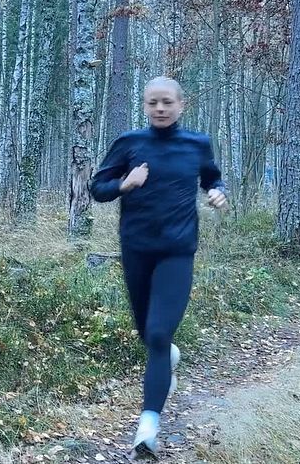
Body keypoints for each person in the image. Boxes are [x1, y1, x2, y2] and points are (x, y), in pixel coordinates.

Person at [89, 76, 228, 456]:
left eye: (167, 102)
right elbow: (97, 189)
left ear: (181, 104)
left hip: (177, 251)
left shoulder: (197, 144)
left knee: (159, 331)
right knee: (148, 336)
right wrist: (125, 184)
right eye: (153, 103)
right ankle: (166, 356)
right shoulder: (130, 144)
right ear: (145, 106)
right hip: (136, 250)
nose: (160, 109)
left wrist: (217, 192)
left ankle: (147, 427)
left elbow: (212, 178)